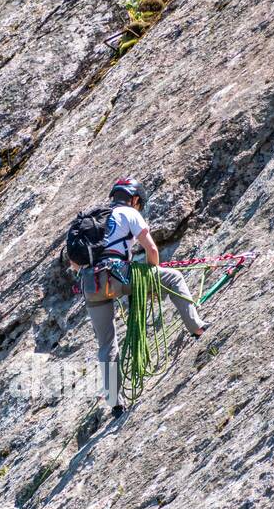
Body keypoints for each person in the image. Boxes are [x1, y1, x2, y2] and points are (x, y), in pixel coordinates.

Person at [75, 178, 205, 417]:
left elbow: (74, 262)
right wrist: (151, 278)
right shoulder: (129, 213)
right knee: (174, 277)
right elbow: (152, 250)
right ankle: (197, 328)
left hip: (91, 285)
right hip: (119, 276)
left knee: (106, 343)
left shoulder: (92, 220)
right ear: (134, 198)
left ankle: (115, 402)